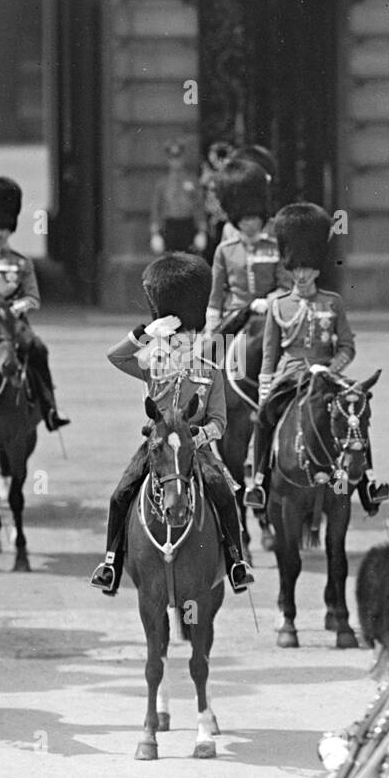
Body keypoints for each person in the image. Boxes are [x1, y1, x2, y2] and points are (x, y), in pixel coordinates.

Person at [90, 253, 254, 597]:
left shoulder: (210, 369)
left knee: (223, 495)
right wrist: (146, 332)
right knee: (120, 495)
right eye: (178, 334)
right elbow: (115, 356)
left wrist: (200, 434)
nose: (184, 340)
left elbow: (220, 422)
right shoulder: (153, 364)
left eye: (189, 334)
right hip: (159, 447)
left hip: (195, 449)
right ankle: (110, 564)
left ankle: (237, 561)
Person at [243, 203, 389, 514]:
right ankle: (259, 481)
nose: (302, 275)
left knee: (356, 409)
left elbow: (347, 347)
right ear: (290, 269)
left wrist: (331, 368)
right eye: (297, 269)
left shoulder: (332, 303)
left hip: (328, 375)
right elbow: (271, 353)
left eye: (308, 269)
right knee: (266, 418)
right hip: (291, 375)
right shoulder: (279, 305)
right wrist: (265, 388)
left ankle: (369, 483)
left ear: (317, 270)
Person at [0, 176, 69, 431]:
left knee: (38, 350)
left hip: (14, 326)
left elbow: (33, 297)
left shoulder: (22, 263)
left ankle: (49, 408)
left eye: (3, 229)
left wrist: (17, 308)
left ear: (10, 230)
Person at [205, 157, 289, 338]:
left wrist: (269, 301)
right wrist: (214, 317)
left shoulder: (274, 232)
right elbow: (222, 280)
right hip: (234, 314)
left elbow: (285, 280)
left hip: (268, 313)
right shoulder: (229, 230)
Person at [149, 140, 206, 256]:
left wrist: (202, 231)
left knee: (189, 261)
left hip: (187, 225)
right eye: (172, 158)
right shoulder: (162, 183)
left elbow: (199, 205)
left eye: (178, 158)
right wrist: (155, 233)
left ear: (183, 159)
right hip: (169, 226)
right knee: (169, 261)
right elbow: (156, 207)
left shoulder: (192, 180)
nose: (175, 162)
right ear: (168, 160)